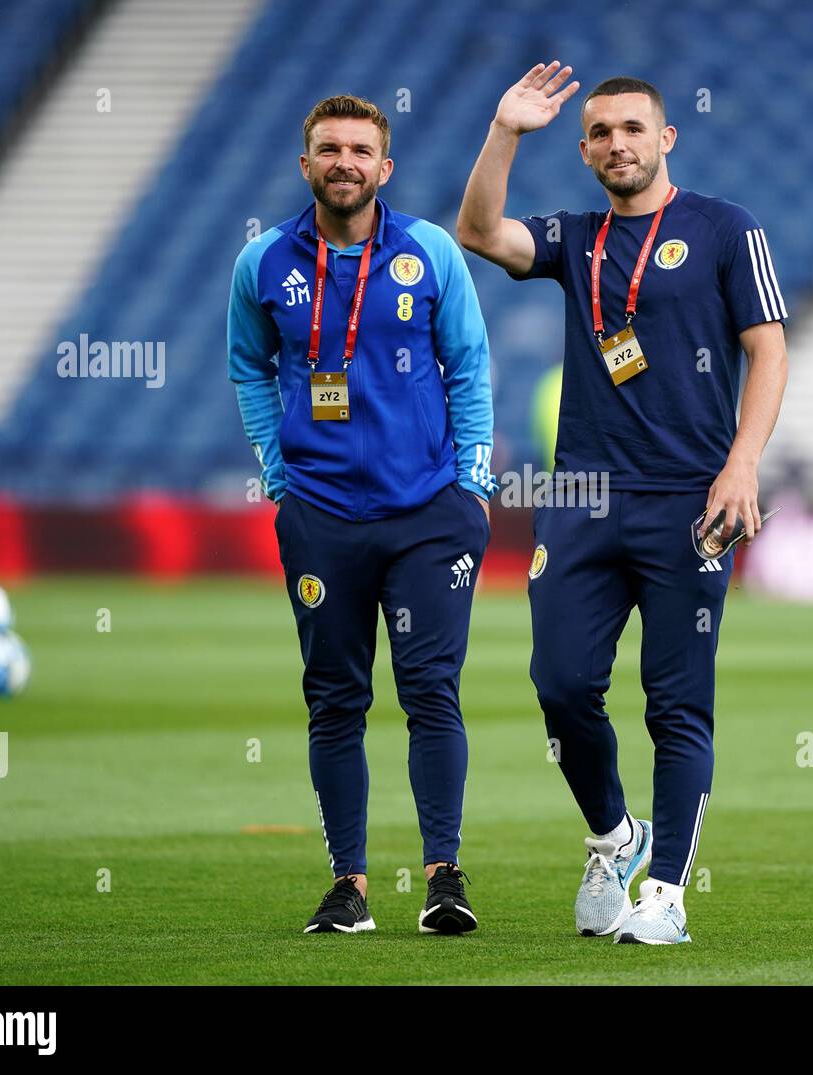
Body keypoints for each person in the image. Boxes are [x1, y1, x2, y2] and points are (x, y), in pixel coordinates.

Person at [458, 66, 789, 944]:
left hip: (692, 497)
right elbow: (479, 230)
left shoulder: (725, 228)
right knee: (560, 684)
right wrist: (506, 131)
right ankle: (613, 835)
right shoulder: (575, 237)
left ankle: (669, 894)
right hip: (580, 495)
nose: (617, 144)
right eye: (601, 132)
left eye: (633, 128)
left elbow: (770, 350)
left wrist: (743, 464)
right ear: (584, 148)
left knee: (676, 705)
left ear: (666, 138)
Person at [229, 94, 496, 936]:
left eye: (360, 150)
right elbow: (249, 367)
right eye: (329, 148)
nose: (345, 162)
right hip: (321, 516)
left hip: (428, 513)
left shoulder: (430, 252)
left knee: (430, 692)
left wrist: (475, 482)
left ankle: (444, 875)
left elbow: (470, 364)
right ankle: (349, 883)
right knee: (335, 700)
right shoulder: (265, 262)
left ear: (387, 167)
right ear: (304, 163)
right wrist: (280, 475)